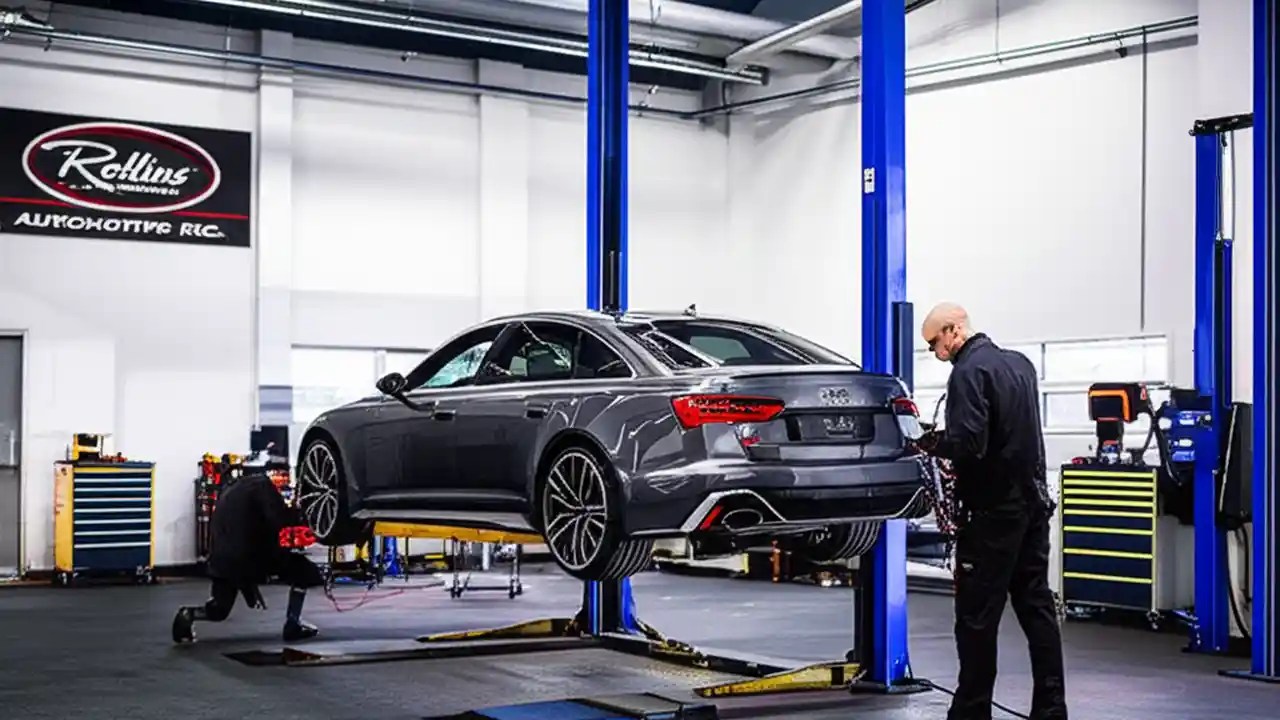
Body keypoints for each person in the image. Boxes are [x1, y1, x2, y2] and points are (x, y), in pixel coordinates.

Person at [915, 302, 1068, 720]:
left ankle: (971, 711)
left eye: (934, 343)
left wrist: (930, 443)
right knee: (1036, 608)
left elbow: (970, 445)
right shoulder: (1020, 365)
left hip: (992, 515)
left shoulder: (967, 373)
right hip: (1033, 507)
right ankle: (1052, 709)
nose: (934, 352)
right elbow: (1006, 432)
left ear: (954, 330)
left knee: (977, 619)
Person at [172, 469, 324, 643]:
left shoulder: (230, 489)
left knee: (220, 610)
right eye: (282, 476)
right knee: (304, 572)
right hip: (252, 558)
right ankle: (293, 624)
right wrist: (300, 515)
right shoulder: (264, 488)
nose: (283, 480)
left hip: (222, 559)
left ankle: (188, 615)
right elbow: (278, 520)